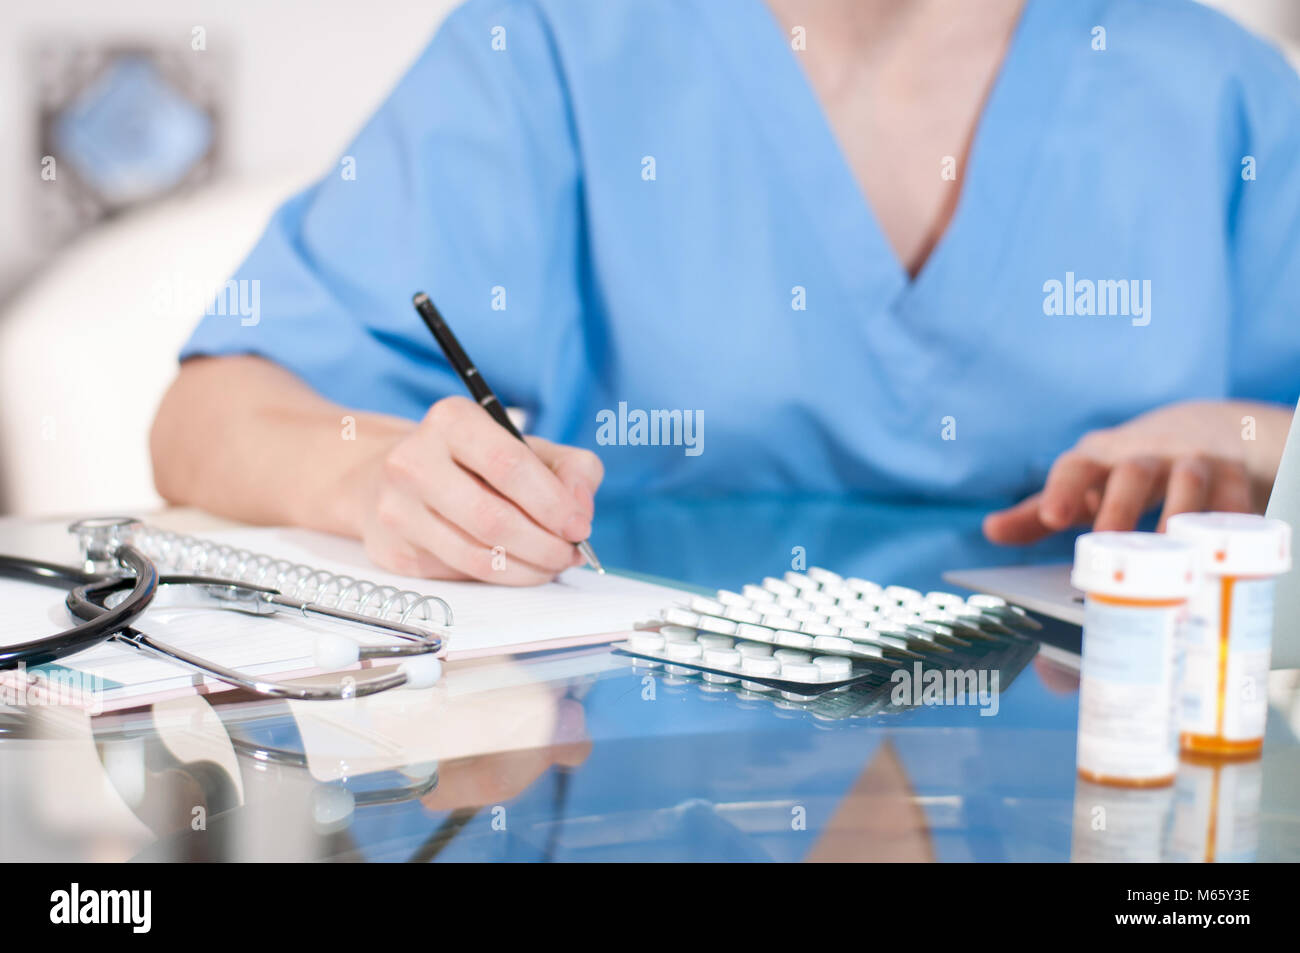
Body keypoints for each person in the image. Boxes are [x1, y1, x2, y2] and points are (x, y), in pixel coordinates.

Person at [151, 0, 1300, 585]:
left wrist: (1266, 442)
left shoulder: (1218, 90)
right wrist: (375, 480)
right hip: (627, 787)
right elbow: (205, 418)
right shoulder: (557, 46)